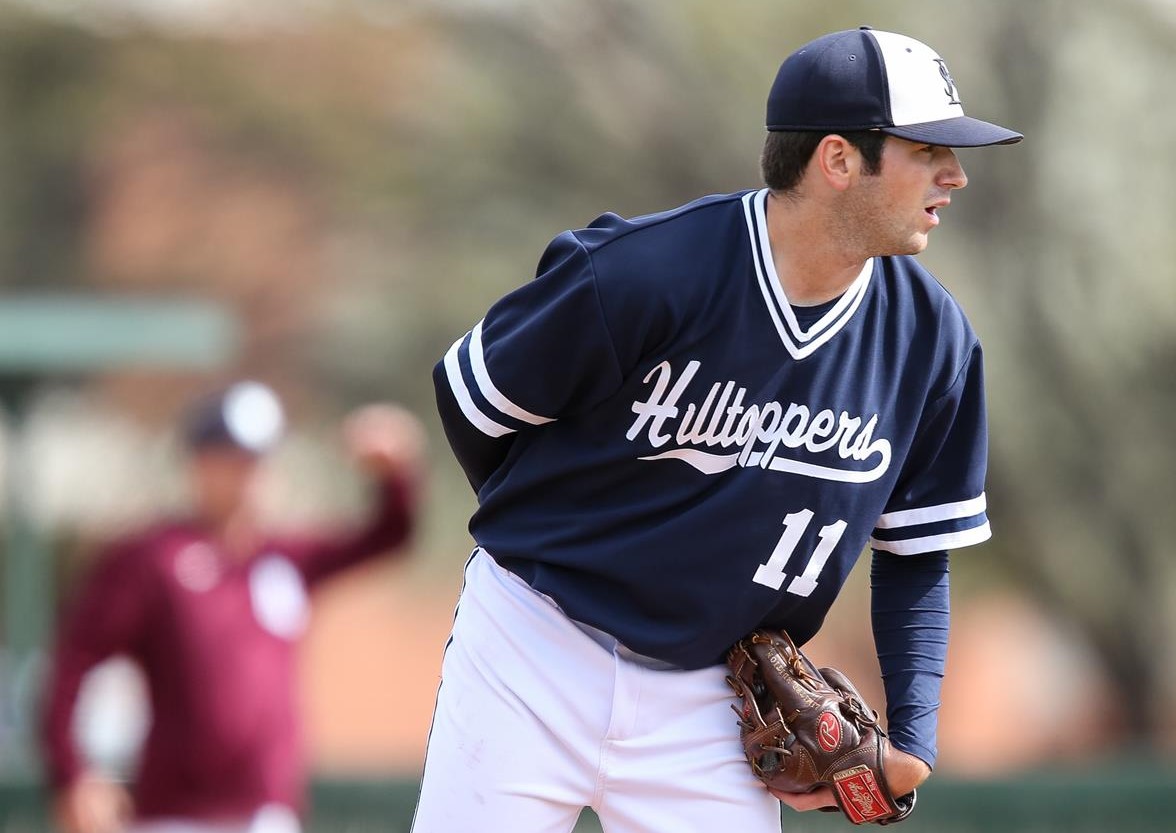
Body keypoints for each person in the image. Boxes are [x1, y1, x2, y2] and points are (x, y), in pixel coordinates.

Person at [415, 26, 1020, 832]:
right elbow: (475, 401)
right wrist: (555, 535)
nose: (955, 174)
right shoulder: (646, 273)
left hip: (717, 693)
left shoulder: (931, 341)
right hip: (532, 646)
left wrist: (913, 738)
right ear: (839, 160)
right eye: (928, 150)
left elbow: (915, 552)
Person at [40, 381, 424, 833]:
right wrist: (74, 775)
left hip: (268, 813)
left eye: (258, 460)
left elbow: (387, 535)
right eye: (232, 458)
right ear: (198, 462)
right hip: (175, 816)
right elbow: (74, 662)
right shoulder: (153, 558)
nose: (248, 475)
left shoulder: (284, 559)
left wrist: (396, 474)